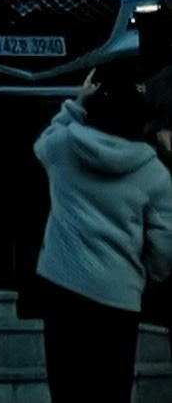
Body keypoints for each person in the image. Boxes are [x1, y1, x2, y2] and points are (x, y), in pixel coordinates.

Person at [32, 63, 172, 403]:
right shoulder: (152, 172)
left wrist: (76, 102)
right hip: (117, 296)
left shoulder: (64, 148)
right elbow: (165, 243)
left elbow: (42, 143)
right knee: (110, 390)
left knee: (68, 388)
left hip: (61, 286)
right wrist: (143, 276)